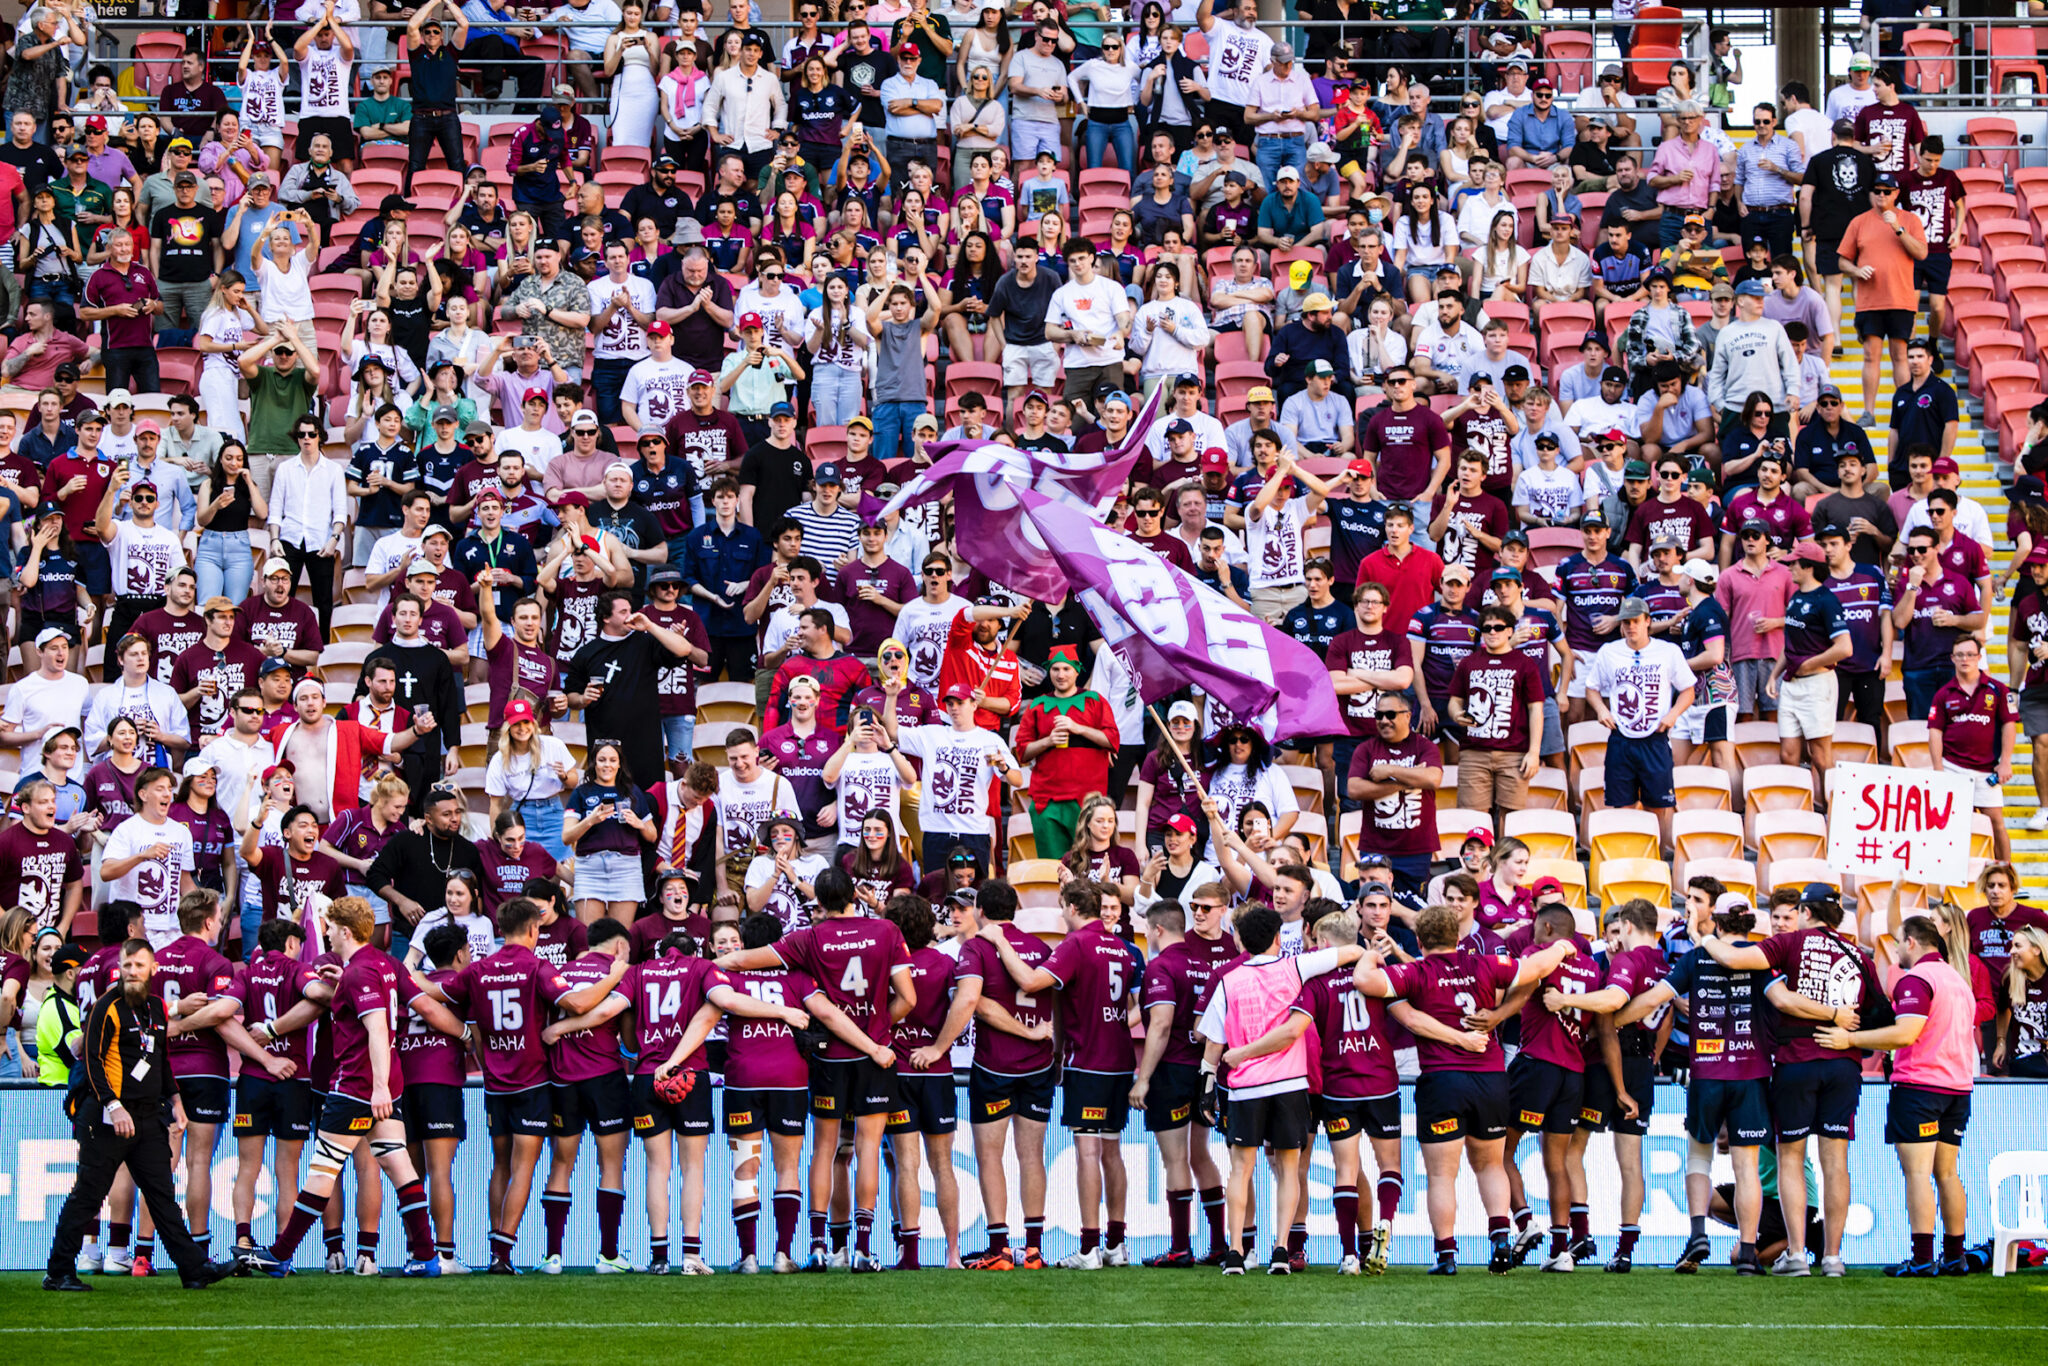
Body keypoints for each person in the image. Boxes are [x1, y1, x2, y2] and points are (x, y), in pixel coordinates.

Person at [1353, 902, 1576, 1275]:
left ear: (1420, 941)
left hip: (1442, 1081)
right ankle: (1501, 1240)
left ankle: (1446, 1255)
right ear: (1458, 937)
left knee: (1442, 1174)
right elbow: (1535, 968)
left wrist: (1369, 955)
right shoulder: (1485, 963)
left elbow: (1364, 982)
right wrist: (1562, 947)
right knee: (1491, 1165)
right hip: (1490, 1079)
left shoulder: (1416, 972)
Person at [42, 936, 241, 1292]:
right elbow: (91, 1061)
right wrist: (112, 1105)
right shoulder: (106, 1006)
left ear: (153, 968)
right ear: (119, 968)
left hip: (148, 1117)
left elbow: (160, 1060)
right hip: (106, 1117)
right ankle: (58, 1271)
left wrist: (176, 1100)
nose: (132, 971)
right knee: (88, 1194)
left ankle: (194, 1269)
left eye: (138, 965)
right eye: (127, 965)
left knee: (162, 1195)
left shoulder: (157, 1007)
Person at [1617, 893, 1775, 1274]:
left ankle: (1698, 1234)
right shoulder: (1762, 958)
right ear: (1749, 923)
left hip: (1706, 1071)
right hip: (1750, 1072)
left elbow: (1655, 999)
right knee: (1746, 1168)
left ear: (1716, 922)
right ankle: (1748, 1253)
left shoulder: (1697, 957)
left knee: (1699, 1157)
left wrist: (1613, 1021)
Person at [1816, 914, 1976, 1276]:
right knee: (1947, 1173)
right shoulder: (1957, 980)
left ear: (1911, 942)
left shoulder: (1917, 979)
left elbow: (1905, 1033)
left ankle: (1922, 1258)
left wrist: (1850, 1039)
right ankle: (1955, 1256)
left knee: (1918, 1173)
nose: (1897, 949)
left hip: (1921, 1086)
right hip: (1958, 1087)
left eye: (1899, 940)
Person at [1834, 171, 1925, 427]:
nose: (1881, 195)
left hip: (1900, 298)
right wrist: (1856, 270)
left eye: (1887, 191)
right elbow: (1842, 261)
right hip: (1870, 300)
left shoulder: (1910, 220)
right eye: (1877, 191)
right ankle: (1869, 412)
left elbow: (1921, 253)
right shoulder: (1859, 222)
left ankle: (1906, 409)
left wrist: (1898, 228)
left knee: (1900, 355)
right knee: (1870, 355)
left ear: (1896, 193)